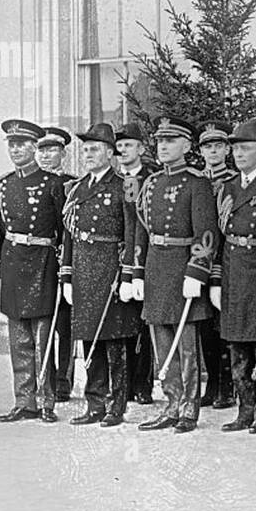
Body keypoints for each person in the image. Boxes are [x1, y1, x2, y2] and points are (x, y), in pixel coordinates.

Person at [123, 117, 218, 434]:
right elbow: (140, 230)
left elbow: (206, 232)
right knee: (162, 340)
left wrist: (197, 271)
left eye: (171, 141)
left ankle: (189, 408)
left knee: (186, 344)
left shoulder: (197, 183)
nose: (163, 146)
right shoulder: (150, 185)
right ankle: (171, 403)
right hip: (155, 267)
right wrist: (137, 273)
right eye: (160, 141)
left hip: (182, 268)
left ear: (187, 146)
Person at [59, 122, 140, 427]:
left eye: (95, 149)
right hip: (82, 271)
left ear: (110, 153)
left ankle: (116, 406)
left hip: (111, 271)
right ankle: (94, 403)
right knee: (88, 339)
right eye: (86, 149)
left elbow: (133, 234)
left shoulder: (124, 186)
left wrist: (129, 275)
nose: (89, 154)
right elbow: (68, 235)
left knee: (114, 342)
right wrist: (66, 275)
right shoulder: (77, 188)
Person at [0, 118, 66, 424]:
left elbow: (64, 231)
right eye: (11, 144)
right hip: (13, 262)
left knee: (43, 339)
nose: (16, 149)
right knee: (18, 339)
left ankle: (46, 402)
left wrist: (65, 268)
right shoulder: (3, 184)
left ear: (35, 147)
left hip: (43, 262)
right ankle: (24, 402)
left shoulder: (53, 184)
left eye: (22, 144)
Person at [212, 120, 256, 435]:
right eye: (236, 148)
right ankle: (244, 411)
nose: (238, 154)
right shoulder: (227, 187)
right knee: (236, 345)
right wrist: (215, 278)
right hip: (233, 269)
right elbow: (218, 236)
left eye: (245, 148)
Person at [115, 123, 159, 405]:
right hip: (118, 262)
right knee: (123, 324)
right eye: (119, 146)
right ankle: (124, 383)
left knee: (143, 327)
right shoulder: (115, 180)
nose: (122, 151)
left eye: (128, 145)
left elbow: (138, 226)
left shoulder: (150, 180)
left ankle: (143, 385)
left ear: (141, 149)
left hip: (143, 262)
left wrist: (135, 268)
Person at [196, 121, 236, 410]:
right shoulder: (196, 182)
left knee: (223, 326)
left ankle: (227, 385)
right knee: (204, 327)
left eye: (218, 146)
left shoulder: (233, 181)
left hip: (225, 263)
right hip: (199, 261)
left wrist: (218, 267)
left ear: (227, 149)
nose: (213, 151)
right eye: (207, 147)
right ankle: (212, 383)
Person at [36, 126, 76, 402]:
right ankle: (46, 378)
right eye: (42, 149)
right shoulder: (32, 182)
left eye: (51, 149)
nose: (46, 155)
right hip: (39, 260)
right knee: (44, 322)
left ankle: (64, 380)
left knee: (66, 325)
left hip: (65, 259)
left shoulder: (72, 185)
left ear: (63, 152)